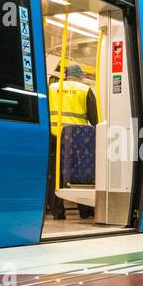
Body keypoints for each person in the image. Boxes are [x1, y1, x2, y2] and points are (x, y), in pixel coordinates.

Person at [46, 64, 98, 220]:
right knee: (81, 175)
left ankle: (57, 212)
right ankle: (85, 211)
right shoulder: (84, 89)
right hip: (77, 139)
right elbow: (94, 118)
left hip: (54, 136)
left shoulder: (51, 88)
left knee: (55, 176)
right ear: (79, 76)